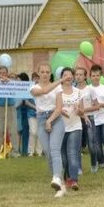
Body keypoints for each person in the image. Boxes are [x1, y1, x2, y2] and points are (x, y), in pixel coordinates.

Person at [31, 63, 66, 195]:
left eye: (47, 72)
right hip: (41, 119)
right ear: (38, 73)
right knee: (47, 152)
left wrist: (50, 120)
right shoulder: (34, 88)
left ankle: (56, 177)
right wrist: (60, 80)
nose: (45, 74)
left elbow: (59, 108)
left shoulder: (58, 88)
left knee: (54, 149)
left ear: (50, 73)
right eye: (42, 72)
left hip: (55, 118)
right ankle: (60, 185)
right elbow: (44, 91)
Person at [57, 68, 83, 192]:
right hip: (60, 127)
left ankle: (74, 180)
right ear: (61, 77)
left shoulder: (78, 92)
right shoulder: (57, 91)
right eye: (65, 74)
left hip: (75, 126)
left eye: (70, 74)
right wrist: (60, 110)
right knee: (63, 157)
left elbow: (82, 111)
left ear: (72, 77)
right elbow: (53, 108)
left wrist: (79, 110)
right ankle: (66, 177)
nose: (68, 76)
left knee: (72, 153)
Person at [88, 64, 104, 170]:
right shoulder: (88, 89)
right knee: (97, 143)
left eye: (97, 75)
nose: (95, 77)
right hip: (93, 119)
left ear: (100, 76)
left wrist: (101, 105)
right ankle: (102, 162)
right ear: (90, 76)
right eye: (93, 75)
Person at [0, 66, 20, 157]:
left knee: (13, 130)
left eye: (4, 73)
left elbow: (19, 89)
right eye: (0, 73)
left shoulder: (12, 82)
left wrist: (9, 82)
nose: (2, 75)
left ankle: (15, 152)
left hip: (10, 107)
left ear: (7, 73)